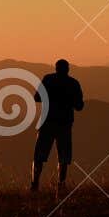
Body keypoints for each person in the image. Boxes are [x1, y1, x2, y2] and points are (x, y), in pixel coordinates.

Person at [31, 59, 84, 192]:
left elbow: (36, 97)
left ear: (56, 68)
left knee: (39, 156)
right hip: (64, 124)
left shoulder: (48, 80)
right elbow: (79, 106)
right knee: (64, 157)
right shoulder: (73, 83)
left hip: (47, 123)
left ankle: (34, 184)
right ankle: (61, 185)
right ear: (68, 69)